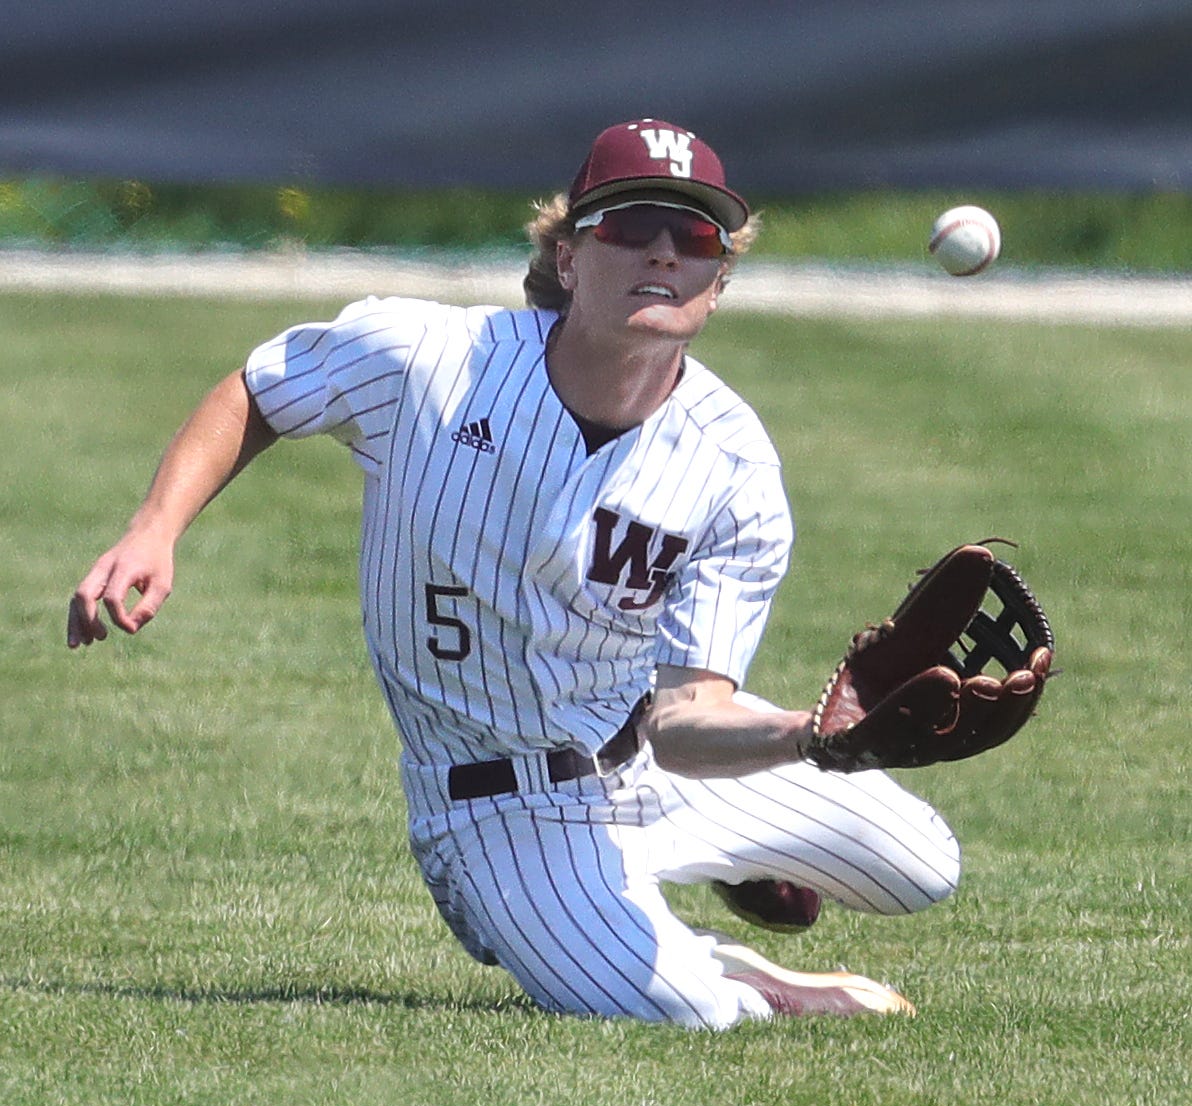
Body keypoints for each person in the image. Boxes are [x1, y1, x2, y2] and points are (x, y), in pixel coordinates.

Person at [67, 118, 960, 1028]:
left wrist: (815, 735)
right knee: (696, 1012)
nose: (661, 251)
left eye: (692, 236)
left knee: (927, 864)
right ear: (569, 257)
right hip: (497, 811)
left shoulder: (732, 465)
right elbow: (262, 386)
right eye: (629, 224)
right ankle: (715, 963)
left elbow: (689, 719)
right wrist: (155, 527)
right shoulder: (432, 361)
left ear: (718, 280)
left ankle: (709, 876)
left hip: (650, 765)